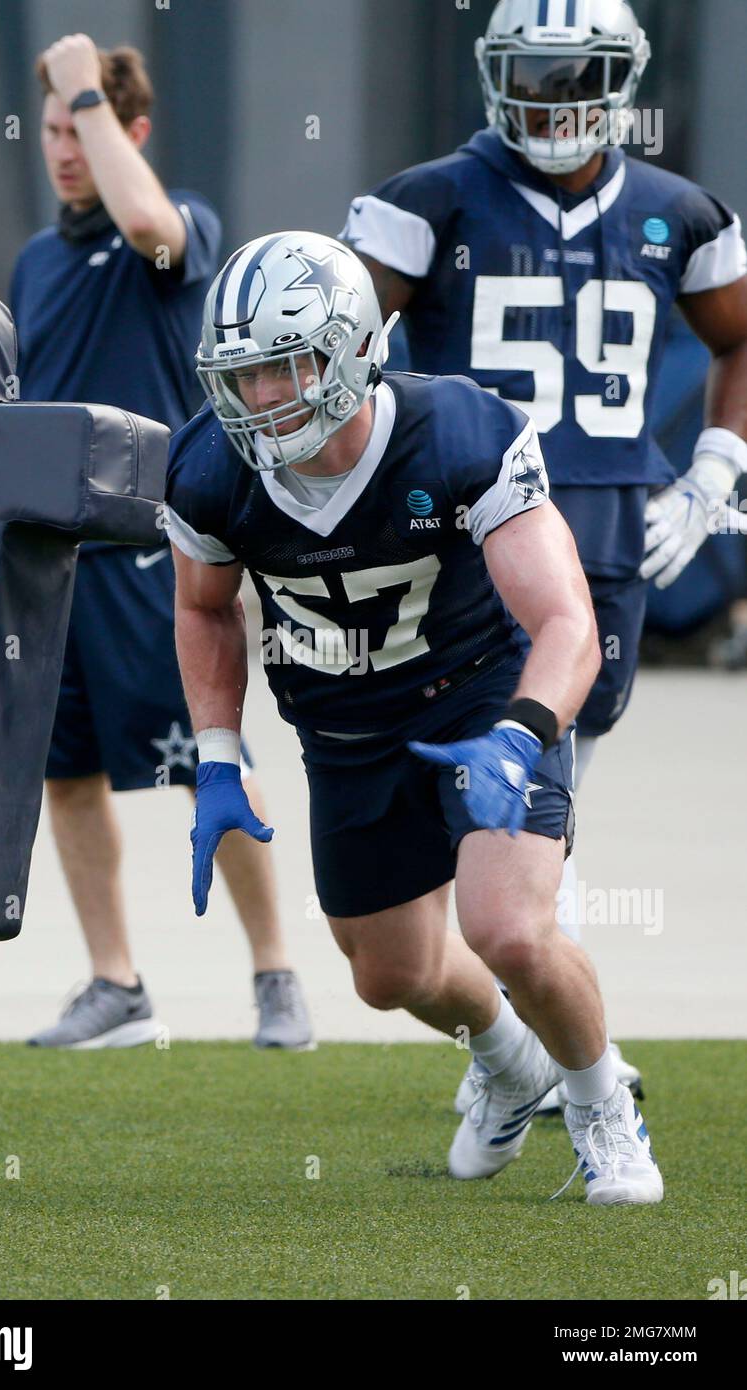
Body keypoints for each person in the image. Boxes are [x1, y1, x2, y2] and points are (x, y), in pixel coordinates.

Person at [164, 228, 663, 1204]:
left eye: (285, 366)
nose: (262, 399)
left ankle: (602, 1105)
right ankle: (510, 1061)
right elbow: (201, 604)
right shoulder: (210, 470)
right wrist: (218, 755)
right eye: (243, 374)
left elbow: (565, 620)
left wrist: (518, 734)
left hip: (480, 699)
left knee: (506, 928)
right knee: (387, 976)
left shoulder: (457, 436)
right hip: (344, 730)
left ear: (350, 348)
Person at [340, 0, 747, 1110]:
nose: (555, 97)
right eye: (535, 72)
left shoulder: (678, 213)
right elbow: (340, 347)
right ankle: (535, 1042)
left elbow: (737, 334)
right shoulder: (429, 202)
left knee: (541, 783)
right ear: (491, 74)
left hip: (601, 531)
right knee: (468, 796)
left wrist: (712, 469)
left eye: (579, 75)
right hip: (460, 530)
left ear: (621, 80)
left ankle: (534, 1044)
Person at [10, 34, 312, 1050]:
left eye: (81, 126)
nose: (63, 147)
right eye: (50, 129)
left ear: (126, 130)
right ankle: (116, 987)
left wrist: (82, 80)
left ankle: (276, 975)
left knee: (207, 756)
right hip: (52, 564)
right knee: (66, 774)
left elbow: (143, 218)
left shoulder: (175, 226)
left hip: (150, 549)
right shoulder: (37, 260)